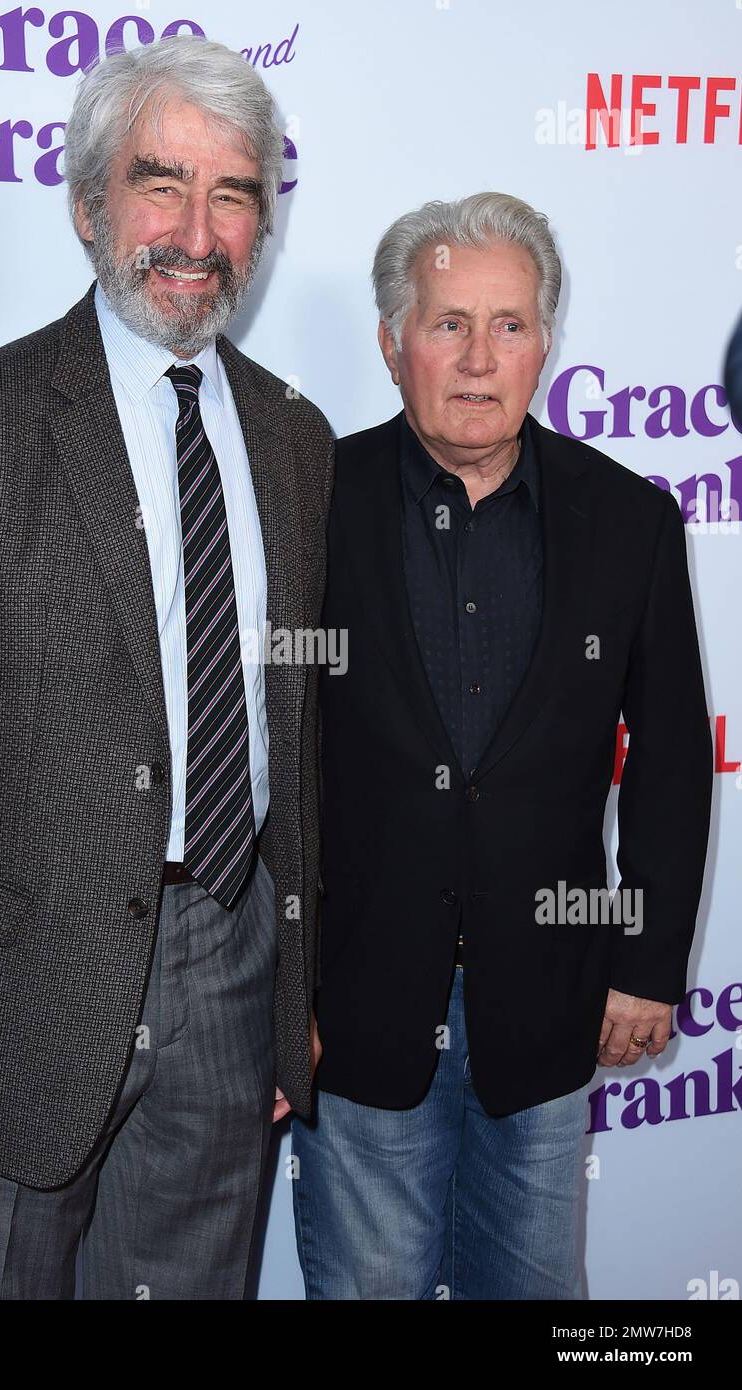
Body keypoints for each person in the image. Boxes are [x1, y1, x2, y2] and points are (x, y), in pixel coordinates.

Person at [0, 35, 332, 1300]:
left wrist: (292, 996)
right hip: (7, 1003)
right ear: (84, 205)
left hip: (228, 969)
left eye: (233, 195)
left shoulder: (295, 436)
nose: (196, 231)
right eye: (159, 184)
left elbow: (295, 736)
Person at [291, 192, 712, 1300]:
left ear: (544, 343)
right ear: (391, 344)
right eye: (448, 324)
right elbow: (264, 762)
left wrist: (646, 964)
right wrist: (280, 989)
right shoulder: (310, 504)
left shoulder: (627, 519)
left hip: (550, 1003)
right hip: (355, 1005)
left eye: (509, 325)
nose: (479, 359)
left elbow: (671, 759)